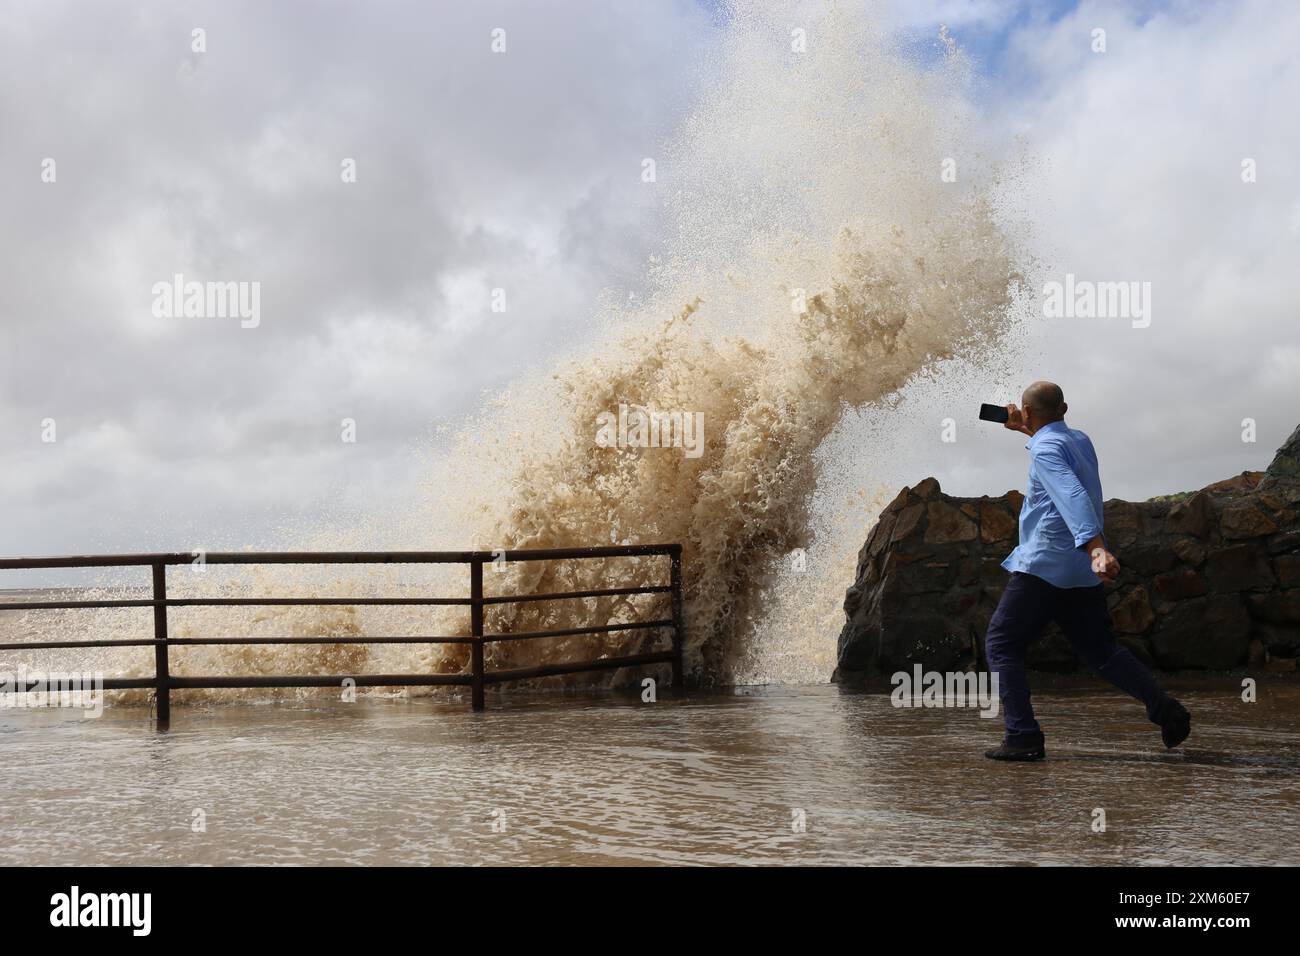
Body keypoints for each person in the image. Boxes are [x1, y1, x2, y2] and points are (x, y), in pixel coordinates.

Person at [984, 381, 1191, 761]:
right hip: (1079, 571)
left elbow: (1071, 495)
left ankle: (1023, 736)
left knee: (1002, 644)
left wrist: (1097, 549)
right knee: (1101, 651)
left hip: (1046, 565)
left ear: (1028, 412)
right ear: (1064, 409)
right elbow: (1054, 452)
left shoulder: (1045, 449)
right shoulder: (1078, 439)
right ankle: (1167, 712)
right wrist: (1026, 429)